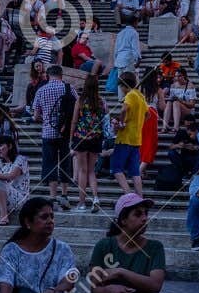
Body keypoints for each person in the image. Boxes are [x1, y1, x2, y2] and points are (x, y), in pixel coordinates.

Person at [31, 64, 73, 208]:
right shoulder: (69, 88)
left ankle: (53, 197)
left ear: (48, 75)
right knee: (65, 163)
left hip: (48, 132)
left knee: (50, 163)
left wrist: (47, 119)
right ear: (62, 75)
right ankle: (65, 195)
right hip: (65, 133)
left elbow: (35, 116)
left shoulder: (41, 90)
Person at [69, 75, 106, 212]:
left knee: (82, 171)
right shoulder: (101, 101)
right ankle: (95, 197)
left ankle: (82, 203)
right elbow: (104, 118)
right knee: (91, 171)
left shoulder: (80, 100)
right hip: (96, 138)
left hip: (81, 137)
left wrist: (71, 137)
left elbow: (74, 120)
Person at [111, 71, 148, 199]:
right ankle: (140, 197)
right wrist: (137, 121)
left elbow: (124, 109)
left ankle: (129, 195)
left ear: (123, 85)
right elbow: (147, 115)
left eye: (121, 86)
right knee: (135, 172)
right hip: (137, 139)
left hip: (124, 138)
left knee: (116, 168)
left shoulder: (130, 95)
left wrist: (121, 122)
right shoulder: (140, 95)